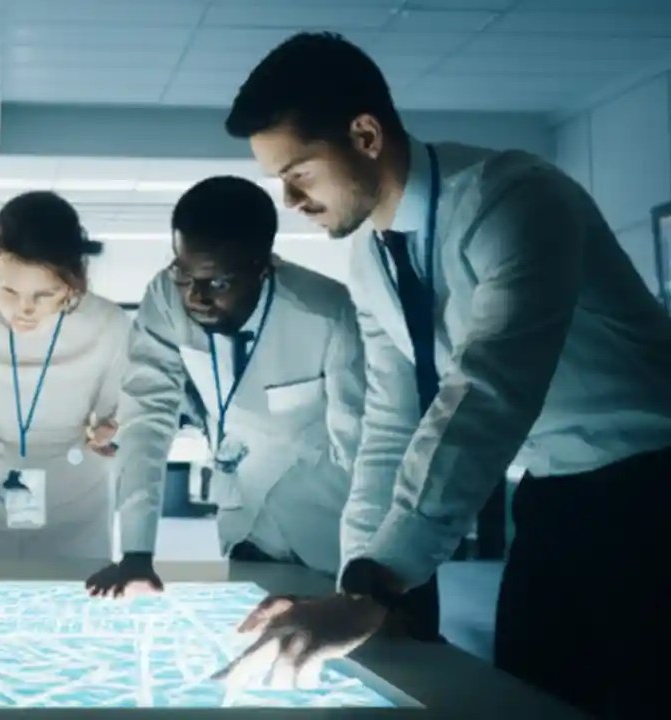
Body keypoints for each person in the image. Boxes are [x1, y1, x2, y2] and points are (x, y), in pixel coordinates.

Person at [213, 32, 671, 717]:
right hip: (549, 496)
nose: (290, 200)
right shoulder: (372, 261)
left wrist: (377, 588)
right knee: (528, 697)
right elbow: (391, 426)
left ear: (365, 135)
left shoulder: (515, 200)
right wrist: (357, 582)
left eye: (300, 173)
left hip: (649, 488)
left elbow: (487, 393)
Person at [85, 176, 364, 597]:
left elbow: (364, 449)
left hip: (333, 541)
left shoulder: (325, 313)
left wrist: (375, 575)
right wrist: (137, 553)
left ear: (262, 265)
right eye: (184, 274)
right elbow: (146, 419)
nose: (194, 297)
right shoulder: (165, 298)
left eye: (218, 283)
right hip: (244, 531)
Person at [0, 191, 130, 560]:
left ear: (73, 280)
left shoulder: (108, 323)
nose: (24, 308)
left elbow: (117, 420)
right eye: (8, 290)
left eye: (46, 294)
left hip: (75, 491)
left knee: (72, 607)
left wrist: (110, 432)